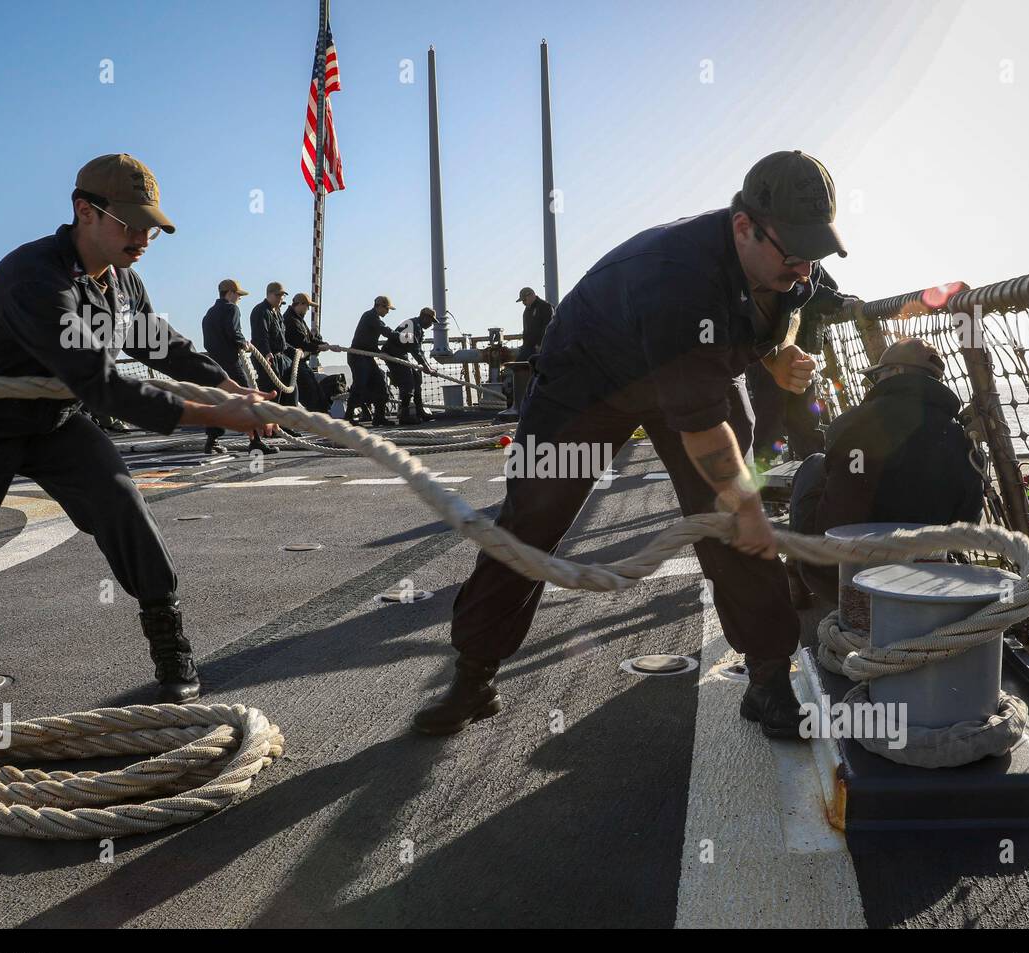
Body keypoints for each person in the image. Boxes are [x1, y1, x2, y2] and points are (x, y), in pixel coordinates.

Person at [413, 150, 843, 740]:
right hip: (587, 387)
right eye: (794, 253)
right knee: (532, 520)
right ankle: (473, 674)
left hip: (695, 374)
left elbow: (783, 307)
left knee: (729, 519)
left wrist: (778, 353)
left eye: (813, 253)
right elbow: (700, 426)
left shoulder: (789, 261)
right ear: (744, 225)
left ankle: (769, 681)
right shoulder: (675, 277)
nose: (804, 268)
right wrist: (743, 505)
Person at [0, 153, 278, 703]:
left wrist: (230, 388)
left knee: (122, 504)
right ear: (85, 211)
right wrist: (215, 415)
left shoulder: (123, 284)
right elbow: (102, 384)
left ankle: (170, 643)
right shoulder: (34, 278)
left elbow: (163, 347)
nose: (145, 235)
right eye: (131, 222)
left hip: (52, 422)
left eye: (151, 224)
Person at [787, 338, 985, 603]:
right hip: (921, 582)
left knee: (814, 463)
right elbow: (968, 524)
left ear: (896, 372)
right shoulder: (964, 442)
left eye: (877, 376)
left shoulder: (848, 424)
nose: (874, 383)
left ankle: (796, 569)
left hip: (838, 579)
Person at [744, 270, 855, 467]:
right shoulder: (790, 263)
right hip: (767, 352)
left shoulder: (805, 265)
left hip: (792, 352)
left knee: (799, 413)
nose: (806, 267)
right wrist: (837, 301)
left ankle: (812, 465)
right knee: (771, 412)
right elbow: (805, 290)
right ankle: (764, 469)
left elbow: (808, 290)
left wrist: (837, 298)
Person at [202, 278, 277, 456]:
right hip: (231, 362)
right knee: (247, 399)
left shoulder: (210, 313)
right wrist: (243, 343)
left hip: (214, 363)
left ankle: (211, 441)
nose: (240, 298)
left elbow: (207, 341)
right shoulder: (231, 309)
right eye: (238, 294)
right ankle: (256, 442)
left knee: (218, 401)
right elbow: (233, 332)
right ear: (230, 293)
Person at [283, 293, 343, 413]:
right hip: (293, 362)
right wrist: (319, 347)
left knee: (314, 387)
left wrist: (326, 345)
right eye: (307, 306)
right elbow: (302, 343)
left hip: (300, 361)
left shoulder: (299, 320)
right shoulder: (290, 320)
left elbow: (310, 339)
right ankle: (320, 415)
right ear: (300, 304)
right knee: (309, 389)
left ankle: (322, 412)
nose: (307, 309)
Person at [345, 296, 401, 426]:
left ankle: (379, 417)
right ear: (380, 306)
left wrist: (379, 352)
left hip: (366, 356)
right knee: (359, 385)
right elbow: (385, 331)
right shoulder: (370, 317)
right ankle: (348, 416)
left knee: (380, 385)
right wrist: (402, 336)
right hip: (358, 355)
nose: (388, 312)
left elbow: (368, 341)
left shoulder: (372, 318)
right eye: (387, 309)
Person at [385, 307, 438, 424]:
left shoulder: (416, 326)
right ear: (424, 317)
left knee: (416, 379)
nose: (431, 324)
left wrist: (427, 366)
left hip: (400, 354)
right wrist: (426, 366)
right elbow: (414, 349)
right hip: (392, 354)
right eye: (430, 321)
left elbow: (418, 350)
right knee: (408, 382)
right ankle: (404, 415)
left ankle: (420, 411)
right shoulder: (413, 327)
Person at [250, 282, 296, 410]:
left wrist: (294, 351)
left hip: (280, 358)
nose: (281, 298)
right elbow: (261, 336)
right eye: (278, 295)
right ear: (269, 294)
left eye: (282, 296)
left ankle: (287, 424)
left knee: (291, 391)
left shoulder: (277, 313)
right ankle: (270, 427)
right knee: (273, 393)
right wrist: (266, 352)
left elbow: (281, 339)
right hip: (267, 359)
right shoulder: (261, 311)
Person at [515, 286, 554, 362]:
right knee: (519, 366)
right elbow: (526, 330)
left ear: (531, 295)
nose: (523, 303)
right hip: (529, 347)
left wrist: (540, 344)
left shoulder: (545, 307)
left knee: (518, 366)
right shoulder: (527, 311)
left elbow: (548, 327)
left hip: (542, 347)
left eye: (524, 300)